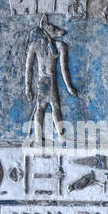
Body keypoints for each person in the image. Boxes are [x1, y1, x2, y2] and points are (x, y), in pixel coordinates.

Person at [23, 14, 77, 144]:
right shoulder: (38, 46)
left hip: (46, 81)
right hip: (46, 80)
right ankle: (45, 137)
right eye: (52, 29)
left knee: (48, 107)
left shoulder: (59, 46)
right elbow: (28, 68)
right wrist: (27, 87)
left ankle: (51, 136)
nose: (58, 31)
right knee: (47, 107)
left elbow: (64, 69)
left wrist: (69, 86)